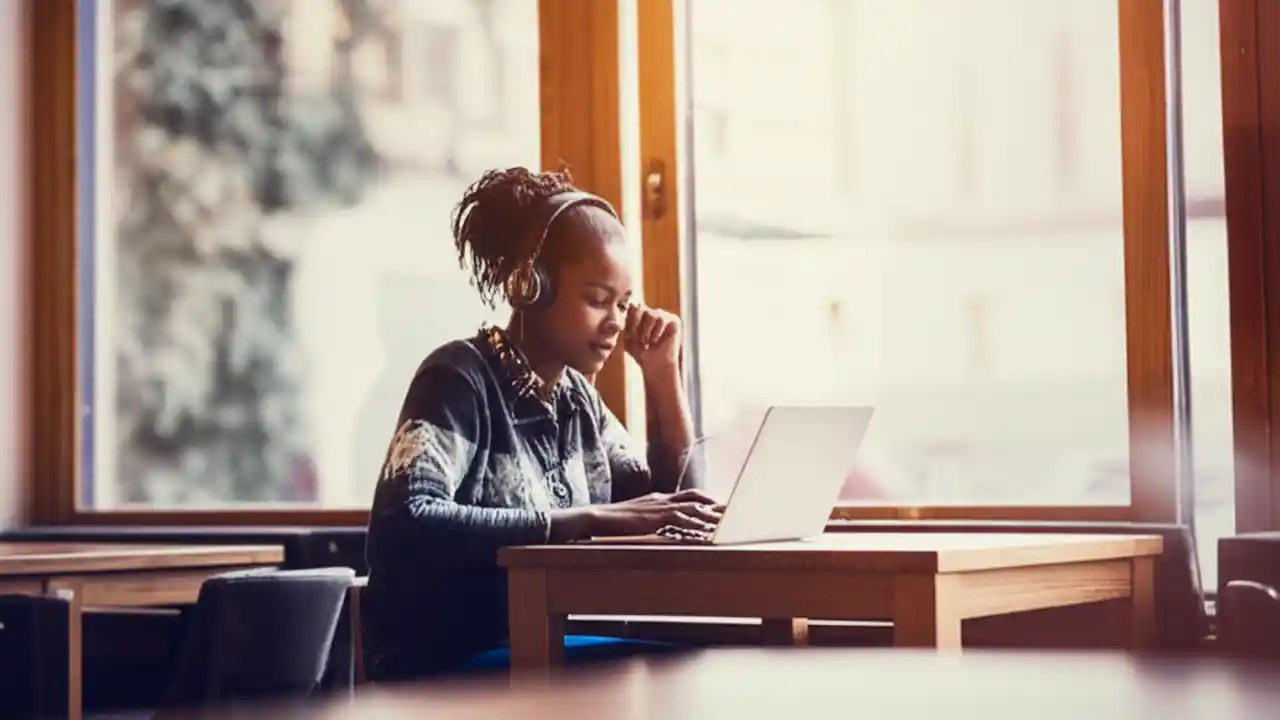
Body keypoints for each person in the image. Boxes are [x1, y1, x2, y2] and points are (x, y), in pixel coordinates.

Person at [362, 166, 721, 680]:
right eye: (597, 300)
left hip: (538, 642)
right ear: (530, 286)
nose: (616, 322)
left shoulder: (580, 402)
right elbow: (407, 522)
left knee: (688, 661)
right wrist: (589, 519)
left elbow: (672, 508)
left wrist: (663, 377)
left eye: (622, 304)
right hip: (442, 662)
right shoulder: (458, 378)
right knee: (668, 673)